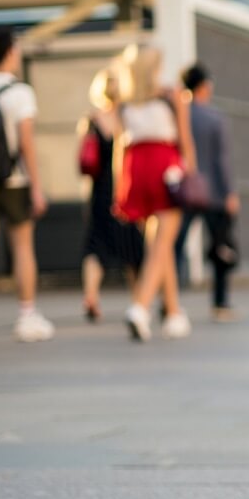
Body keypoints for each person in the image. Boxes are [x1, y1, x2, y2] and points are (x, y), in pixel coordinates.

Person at [102, 45, 196, 341]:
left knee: (159, 244)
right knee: (163, 242)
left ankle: (174, 312)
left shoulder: (125, 103)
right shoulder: (172, 96)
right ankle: (140, 307)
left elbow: (119, 145)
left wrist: (120, 187)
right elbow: (185, 141)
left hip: (136, 169)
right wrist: (190, 176)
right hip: (165, 168)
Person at [0, 27, 54, 342]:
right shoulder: (20, 93)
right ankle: (27, 315)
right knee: (22, 247)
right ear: (8, 52)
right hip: (14, 180)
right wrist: (37, 186)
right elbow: (26, 145)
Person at [175, 63, 239, 322]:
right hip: (212, 192)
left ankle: (170, 300)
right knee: (220, 247)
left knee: (174, 246)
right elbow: (221, 160)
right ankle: (220, 303)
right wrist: (230, 193)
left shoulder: (178, 115)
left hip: (183, 191)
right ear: (203, 86)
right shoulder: (215, 118)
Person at [79, 68, 144, 321]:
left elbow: (82, 161)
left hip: (98, 191)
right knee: (132, 246)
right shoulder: (127, 117)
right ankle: (139, 300)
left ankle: (91, 295)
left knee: (96, 244)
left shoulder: (91, 120)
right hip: (122, 189)